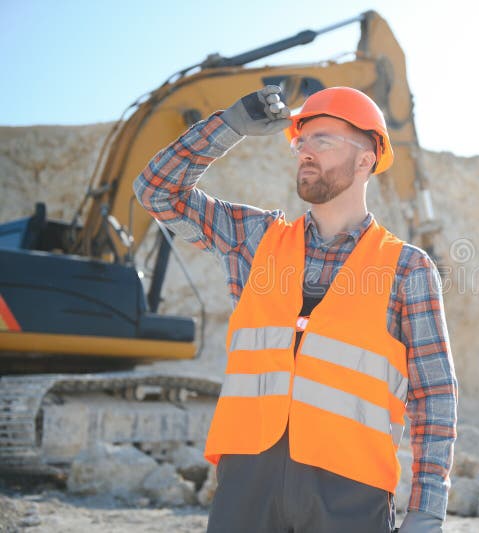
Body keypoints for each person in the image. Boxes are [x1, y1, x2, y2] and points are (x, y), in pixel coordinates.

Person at [134, 85, 458, 532]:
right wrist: (228, 128)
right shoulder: (253, 240)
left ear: (367, 158)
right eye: (300, 142)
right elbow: (155, 191)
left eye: (322, 140)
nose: (305, 151)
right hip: (246, 481)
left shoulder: (407, 268)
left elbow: (434, 395)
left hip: (350, 492)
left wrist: (427, 509)